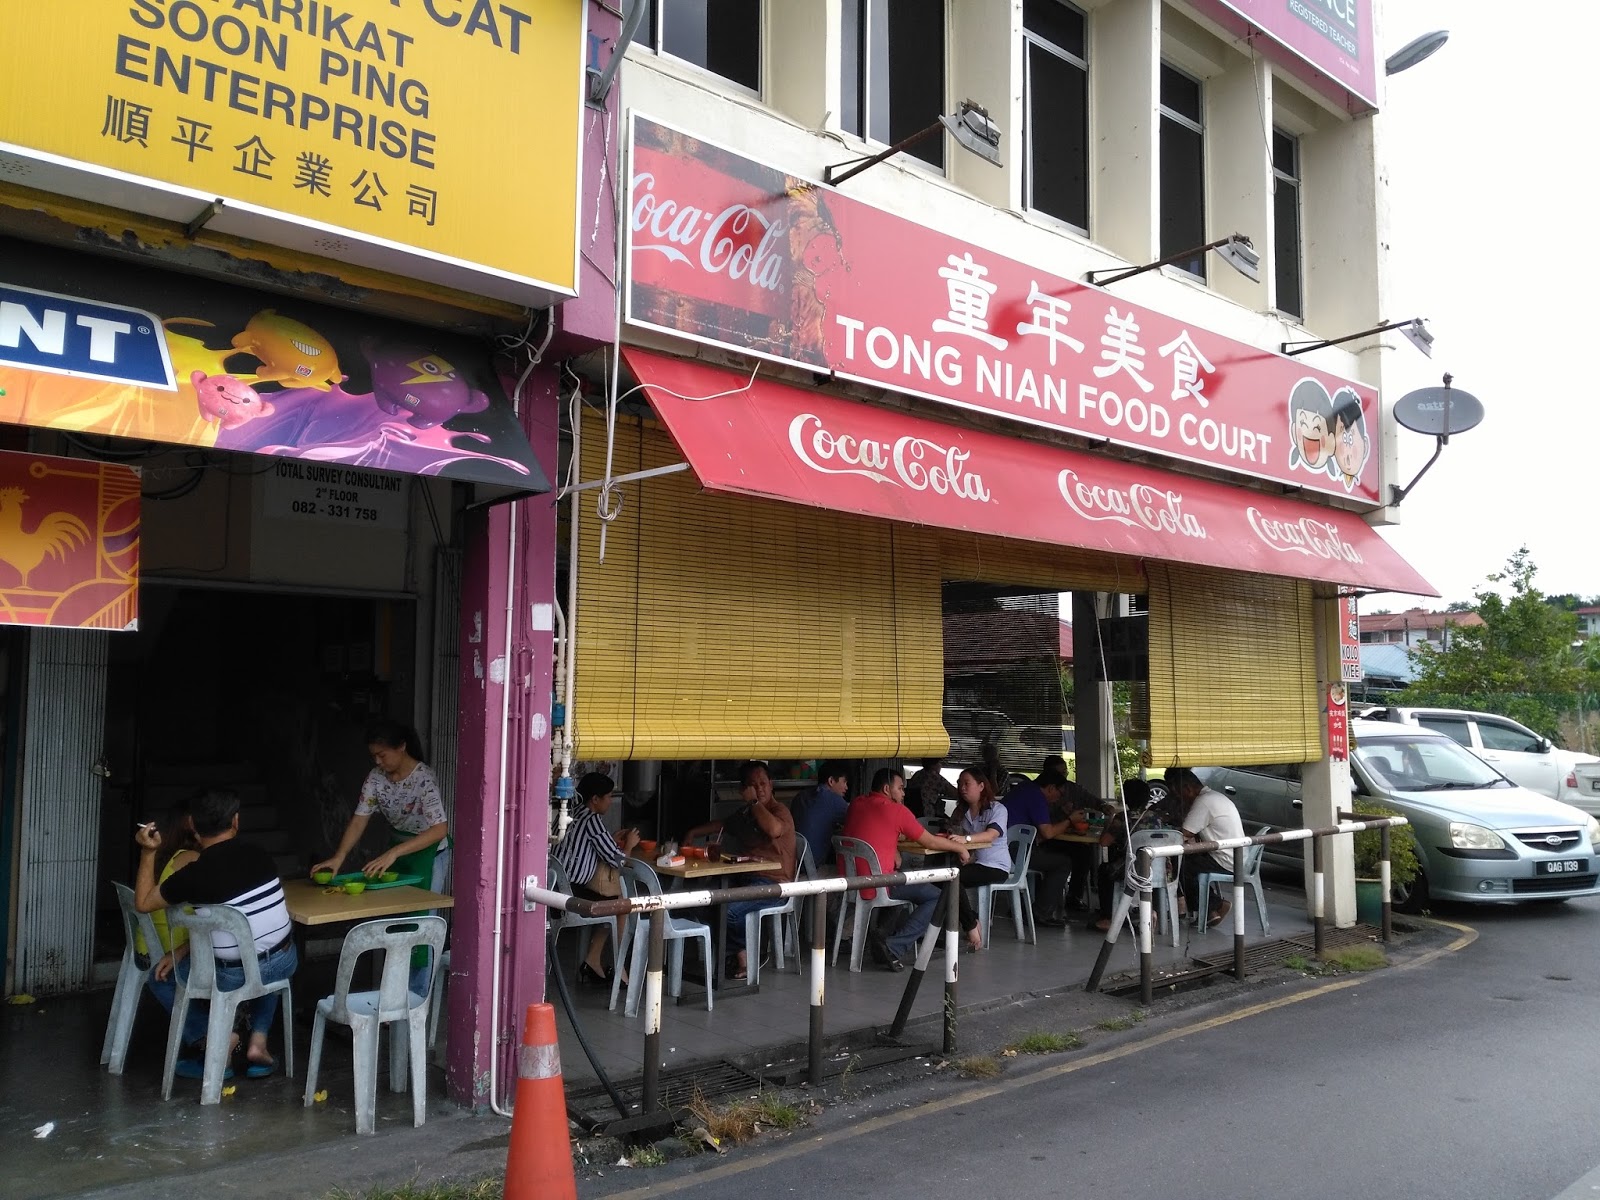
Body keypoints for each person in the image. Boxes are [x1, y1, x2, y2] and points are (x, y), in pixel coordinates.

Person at [135, 788, 296, 1080]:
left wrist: (148, 852)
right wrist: (184, 950)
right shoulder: (260, 855)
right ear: (235, 821)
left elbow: (144, 903)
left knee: (160, 980)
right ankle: (258, 1042)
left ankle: (215, 1042)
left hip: (231, 975)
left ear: (193, 827)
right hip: (285, 962)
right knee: (268, 957)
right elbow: (253, 928)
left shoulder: (193, 875)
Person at [839, 767, 970, 971]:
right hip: (880, 884)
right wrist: (959, 847)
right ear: (886, 789)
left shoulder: (856, 803)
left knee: (901, 875)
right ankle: (894, 946)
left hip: (850, 881)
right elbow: (931, 842)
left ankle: (881, 936)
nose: (903, 793)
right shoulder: (897, 811)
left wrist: (893, 847)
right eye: (900, 788)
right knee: (937, 896)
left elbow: (875, 832)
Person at [687, 762, 797, 982]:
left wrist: (754, 802)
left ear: (771, 784)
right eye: (753, 785)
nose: (760, 789)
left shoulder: (779, 811)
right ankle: (733, 953)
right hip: (745, 879)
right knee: (699, 903)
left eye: (763, 783)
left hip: (774, 885)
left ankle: (744, 956)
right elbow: (723, 825)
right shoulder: (748, 813)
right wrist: (691, 833)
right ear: (743, 790)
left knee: (728, 911)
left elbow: (773, 829)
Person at [311, 720, 450, 889]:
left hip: (429, 853)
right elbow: (358, 821)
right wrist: (339, 856)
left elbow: (439, 830)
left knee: (425, 910)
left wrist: (394, 853)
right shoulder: (376, 778)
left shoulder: (424, 778)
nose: (377, 761)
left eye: (382, 755)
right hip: (398, 851)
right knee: (399, 909)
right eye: (374, 756)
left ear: (401, 747)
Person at [555, 771, 638, 986]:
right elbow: (618, 861)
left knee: (612, 899)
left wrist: (611, 840)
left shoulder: (572, 813)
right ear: (595, 799)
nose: (611, 801)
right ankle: (620, 969)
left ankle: (593, 960)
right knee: (621, 905)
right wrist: (629, 844)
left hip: (555, 885)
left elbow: (586, 846)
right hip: (570, 891)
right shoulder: (592, 820)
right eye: (609, 796)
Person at [134, 796, 200, 988]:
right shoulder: (191, 859)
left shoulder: (166, 854)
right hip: (165, 953)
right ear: (192, 824)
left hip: (146, 948)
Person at [1168, 767, 1244, 927]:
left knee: (1180, 866)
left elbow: (1184, 835)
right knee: (1186, 862)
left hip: (1225, 859)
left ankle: (1213, 907)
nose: (1179, 799)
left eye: (1178, 794)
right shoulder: (1215, 796)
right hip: (1235, 854)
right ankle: (1208, 909)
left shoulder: (1203, 802)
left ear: (1187, 789)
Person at [952, 767, 1010, 950]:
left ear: (981, 786)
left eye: (967, 783)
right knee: (944, 876)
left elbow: (991, 835)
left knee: (953, 878)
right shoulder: (963, 813)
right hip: (976, 863)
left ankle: (970, 925)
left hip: (996, 866)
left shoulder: (998, 809)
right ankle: (970, 918)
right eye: (959, 784)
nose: (962, 788)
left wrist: (965, 840)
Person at [791, 761, 851, 869]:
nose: (846, 787)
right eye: (844, 782)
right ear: (831, 781)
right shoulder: (834, 800)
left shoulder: (801, 796)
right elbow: (856, 821)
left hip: (794, 863)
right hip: (813, 867)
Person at [905, 758, 959, 823]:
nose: (940, 766)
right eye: (939, 763)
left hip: (912, 812)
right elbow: (955, 793)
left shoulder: (917, 774)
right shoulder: (935, 777)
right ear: (934, 765)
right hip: (927, 813)